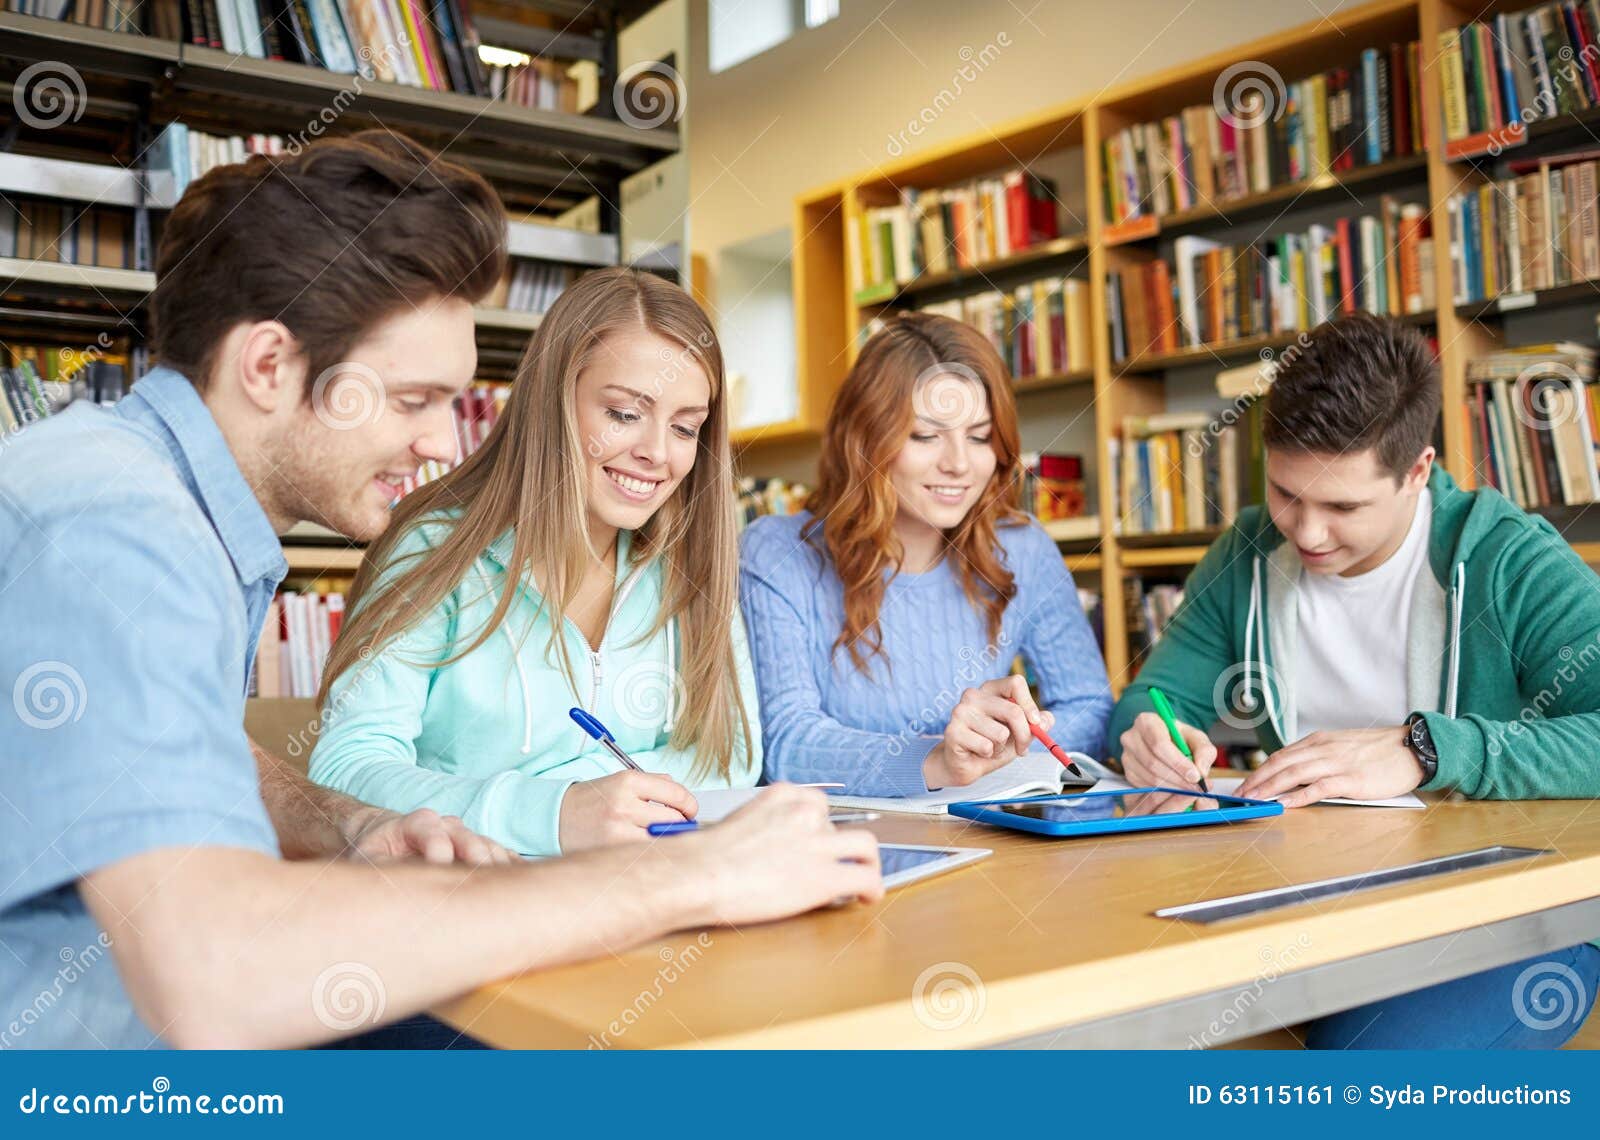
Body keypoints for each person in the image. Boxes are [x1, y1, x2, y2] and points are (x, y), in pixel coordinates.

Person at [0, 131, 881, 1051]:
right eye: (413, 399)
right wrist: (693, 878)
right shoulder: (110, 527)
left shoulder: (160, 504)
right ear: (268, 366)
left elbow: (179, 755)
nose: (438, 446)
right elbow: (216, 973)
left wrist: (353, 822)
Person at [1106, 313, 1600, 1048]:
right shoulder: (1246, 554)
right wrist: (1152, 736)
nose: (1305, 533)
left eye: (1342, 506)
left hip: (1513, 918)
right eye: (1285, 493)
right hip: (1308, 906)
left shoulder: (1508, 561)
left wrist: (1430, 751)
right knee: (1123, 1032)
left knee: (1359, 1081)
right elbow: (1152, 699)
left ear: (1417, 472)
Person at [308, 268, 761, 856]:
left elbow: (733, 755)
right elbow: (346, 770)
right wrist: (556, 812)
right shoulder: (433, 552)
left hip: (641, 891)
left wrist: (596, 800)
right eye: (624, 414)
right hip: (473, 903)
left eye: (684, 427)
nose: (656, 452)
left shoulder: (688, 563)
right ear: (553, 403)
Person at [740, 312, 1112, 796]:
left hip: (987, 837)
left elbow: (1089, 707)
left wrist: (998, 747)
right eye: (925, 436)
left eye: (979, 437)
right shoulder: (777, 553)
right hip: (844, 848)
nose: (958, 463)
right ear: (866, 441)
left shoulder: (1022, 547)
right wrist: (936, 761)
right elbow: (785, 743)